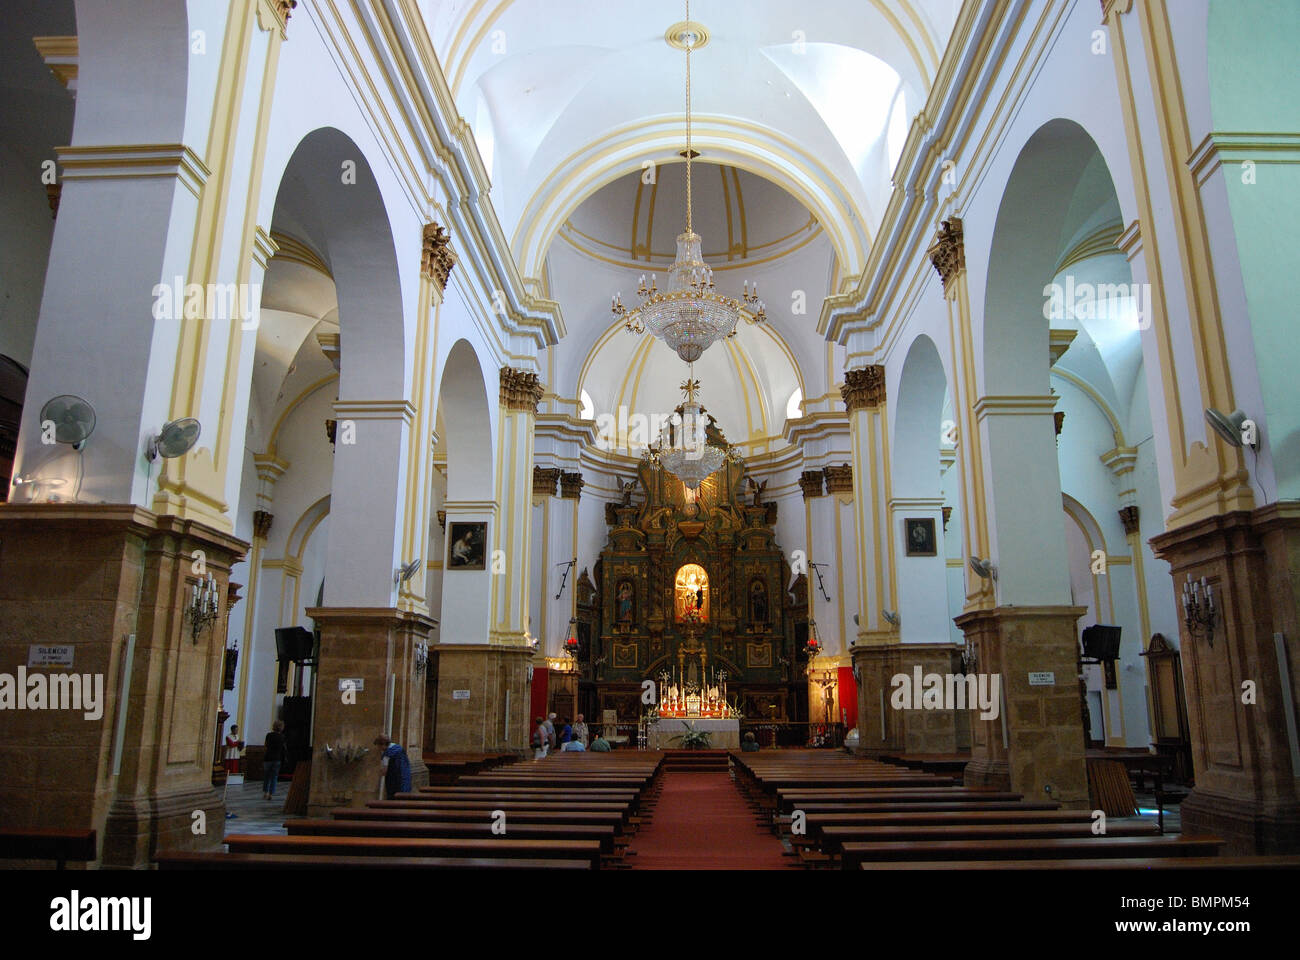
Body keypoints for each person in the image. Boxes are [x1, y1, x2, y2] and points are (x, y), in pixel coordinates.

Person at [373, 734, 412, 799]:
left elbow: (384, 771)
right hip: (405, 776)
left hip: (394, 781)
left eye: (379, 746)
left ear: (383, 745)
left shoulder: (387, 754)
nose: (379, 749)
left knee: (395, 799)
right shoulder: (399, 748)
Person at [262, 720, 286, 800]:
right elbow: (283, 748)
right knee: (274, 777)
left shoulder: (269, 735)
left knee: (266, 776)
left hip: (268, 757)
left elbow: (266, 745)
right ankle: (271, 794)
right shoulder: (282, 737)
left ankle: (265, 792)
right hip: (277, 758)